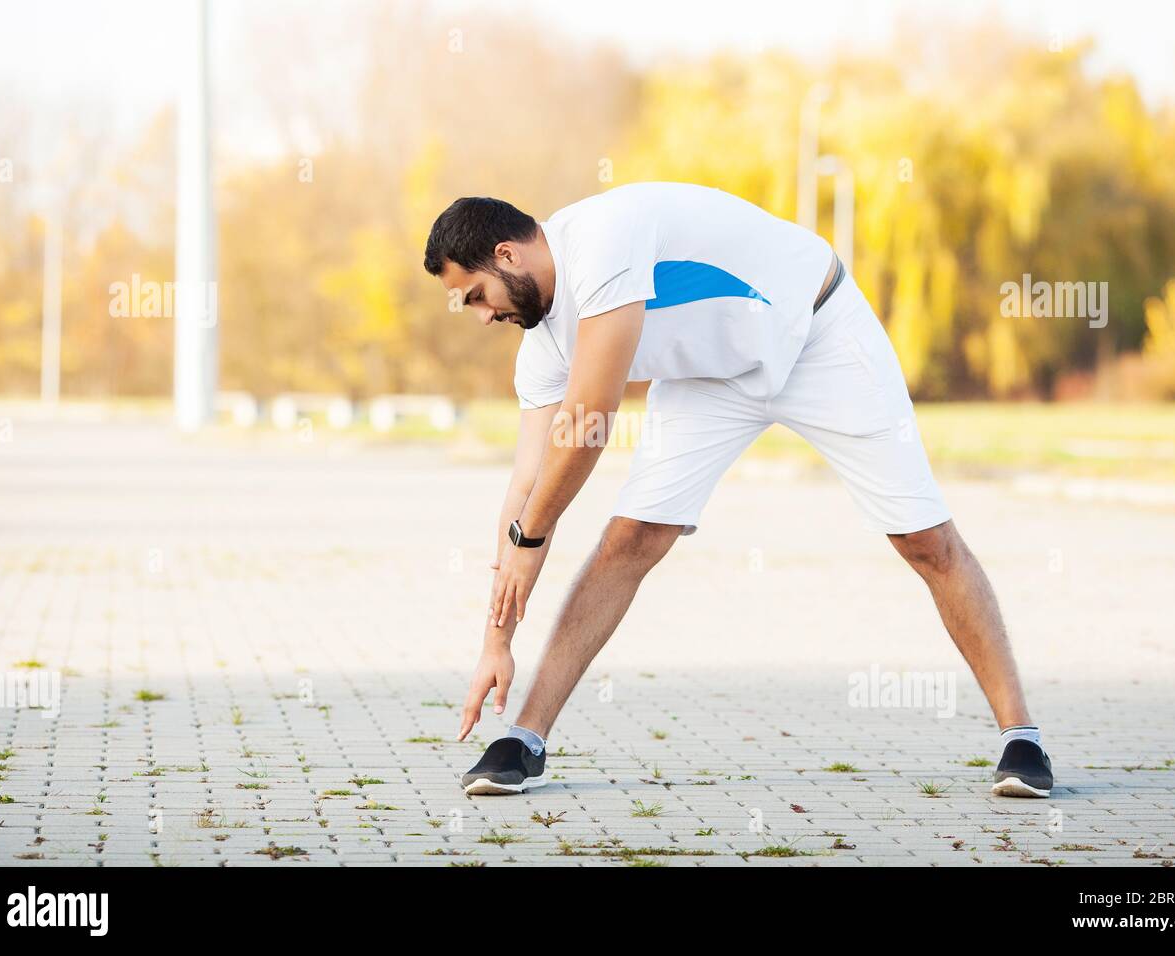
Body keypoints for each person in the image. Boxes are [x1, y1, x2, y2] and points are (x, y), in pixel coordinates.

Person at [422, 182, 1053, 798]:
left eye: (476, 296)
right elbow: (526, 485)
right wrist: (495, 641)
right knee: (628, 540)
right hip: (711, 378)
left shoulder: (599, 243)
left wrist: (531, 532)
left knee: (925, 540)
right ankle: (524, 740)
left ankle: (1022, 738)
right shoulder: (540, 346)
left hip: (820, 332)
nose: (481, 317)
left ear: (508, 255)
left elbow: (588, 428)